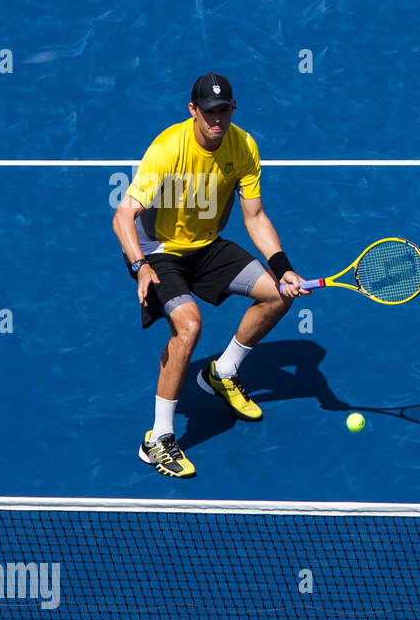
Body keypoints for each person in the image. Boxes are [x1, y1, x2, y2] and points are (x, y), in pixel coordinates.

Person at [112, 73, 308, 478]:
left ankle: (222, 372)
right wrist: (140, 266)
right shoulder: (168, 148)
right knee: (188, 325)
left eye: (225, 110)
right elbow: (123, 216)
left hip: (206, 245)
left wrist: (283, 268)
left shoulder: (244, 146)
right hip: (159, 251)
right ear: (193, 111)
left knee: (278, 295)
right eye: (210, 111)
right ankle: (158, 440)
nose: (218, 119)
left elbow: (253, 216)